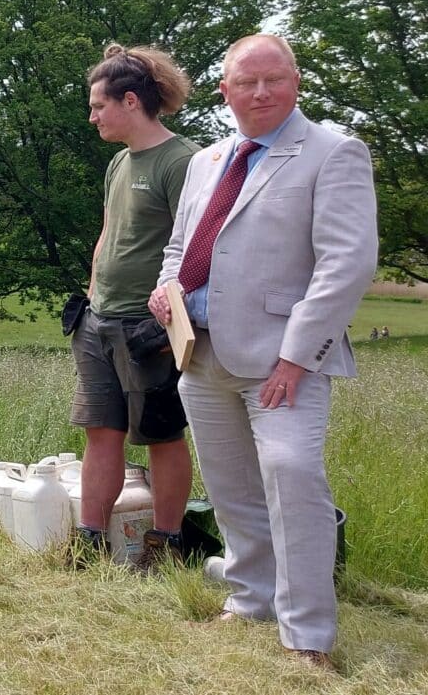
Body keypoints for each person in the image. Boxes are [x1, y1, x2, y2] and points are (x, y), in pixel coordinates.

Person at [149, 35, 377, 671]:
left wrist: (297, 357)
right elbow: (181, 246)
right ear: (224, 91)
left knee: (294, 481)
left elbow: (347, 265)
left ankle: (308, 634)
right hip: (201, 357)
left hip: (284, 365)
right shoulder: (206, 161)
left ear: (296, 81)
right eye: (245, 83)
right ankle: (251, 598)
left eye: (273, 79)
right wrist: (166, 292)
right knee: (232, 489)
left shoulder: (334, 153)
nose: (260, 93)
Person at [70, 44, 199, 572]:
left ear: (129, 100)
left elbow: (196, 246)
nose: (93, 115)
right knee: (101, 433)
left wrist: (167, 309)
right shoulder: (119, 163)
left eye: (99, 106)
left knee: (162, 437)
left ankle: (164, 546)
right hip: (98, 320)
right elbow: (107, 234)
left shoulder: (183, 161)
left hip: (149, 327)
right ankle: (88, 544)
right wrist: (91, 295)